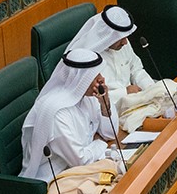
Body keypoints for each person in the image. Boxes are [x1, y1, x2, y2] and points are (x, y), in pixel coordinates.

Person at [19, 50, 120, 178]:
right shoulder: (57, 112)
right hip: (55, 178)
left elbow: (110, 133)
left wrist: (105, 104)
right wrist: (99, 142)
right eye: (94, 75)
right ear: (79, 78)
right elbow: (81, 161)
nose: (101, 79)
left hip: (82, 169)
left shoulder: (87, 96)